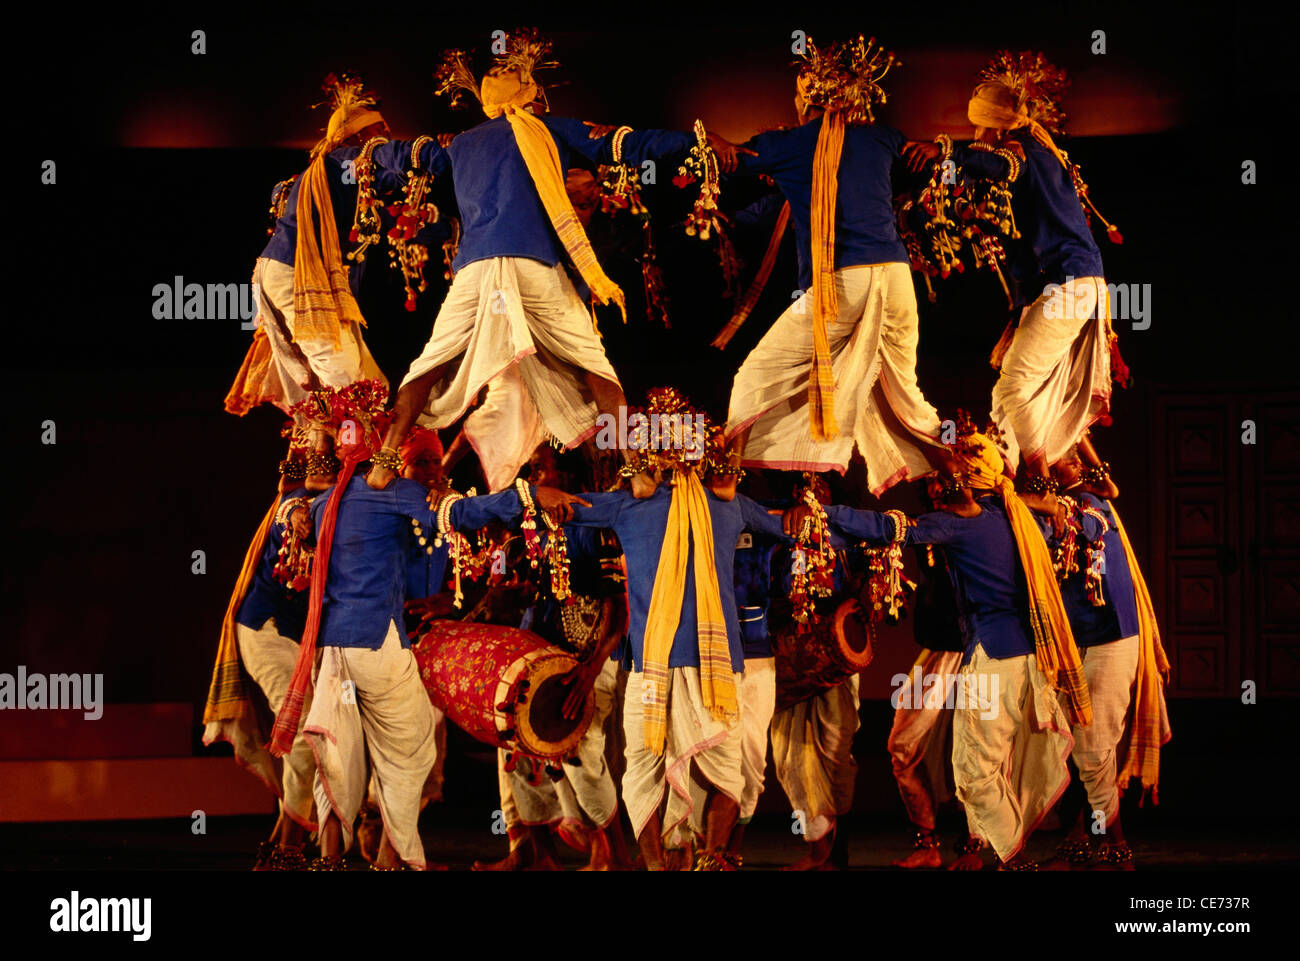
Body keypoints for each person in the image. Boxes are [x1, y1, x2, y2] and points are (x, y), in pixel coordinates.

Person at [789, 421, 1091, 869]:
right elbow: (1048, 522)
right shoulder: (1020, 521)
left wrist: (821, 512)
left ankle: (1012, 859)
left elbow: (885, 527)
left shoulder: (960, 526)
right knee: (987, 762)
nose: (941, 482)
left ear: (969, 484)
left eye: (952, 474)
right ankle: (993, 851)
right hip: (1024, 659)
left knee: (975, 772)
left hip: (990, 661)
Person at [565, 388, 790, 870]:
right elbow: (564, 509)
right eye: (658, 433)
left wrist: (890, 526)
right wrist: (526, 497)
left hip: (717, 665)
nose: (669, 443)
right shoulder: (625, 505)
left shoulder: (728, 504)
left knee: (729, 773)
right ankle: (657, 865)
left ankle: (710, 858)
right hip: (651, 667)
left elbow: (799, 524)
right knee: (642, 776)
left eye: (680, 433)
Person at [720, 35, 946, 497]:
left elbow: (728, 163)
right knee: (907, 392)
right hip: (898, 280)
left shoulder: (793, 143)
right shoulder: (883, 138)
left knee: (756, 374)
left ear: (807, 99)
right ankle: (968, 470)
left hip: (841, 284)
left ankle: (726, 476)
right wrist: (945, 150)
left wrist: (711, 142)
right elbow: (933, 174)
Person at [1042, 449, 1171, 869]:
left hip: (1112, 636)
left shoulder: (1093, 504)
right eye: (1064, 454)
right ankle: (1079, 834)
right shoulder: (1042, 516)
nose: (1075, 459)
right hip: (1066, 640)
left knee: (1095, 747)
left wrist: (1081, 445)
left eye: (1076, 452)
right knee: (1065, 744)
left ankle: (1115, 845)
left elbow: (1091, 506)